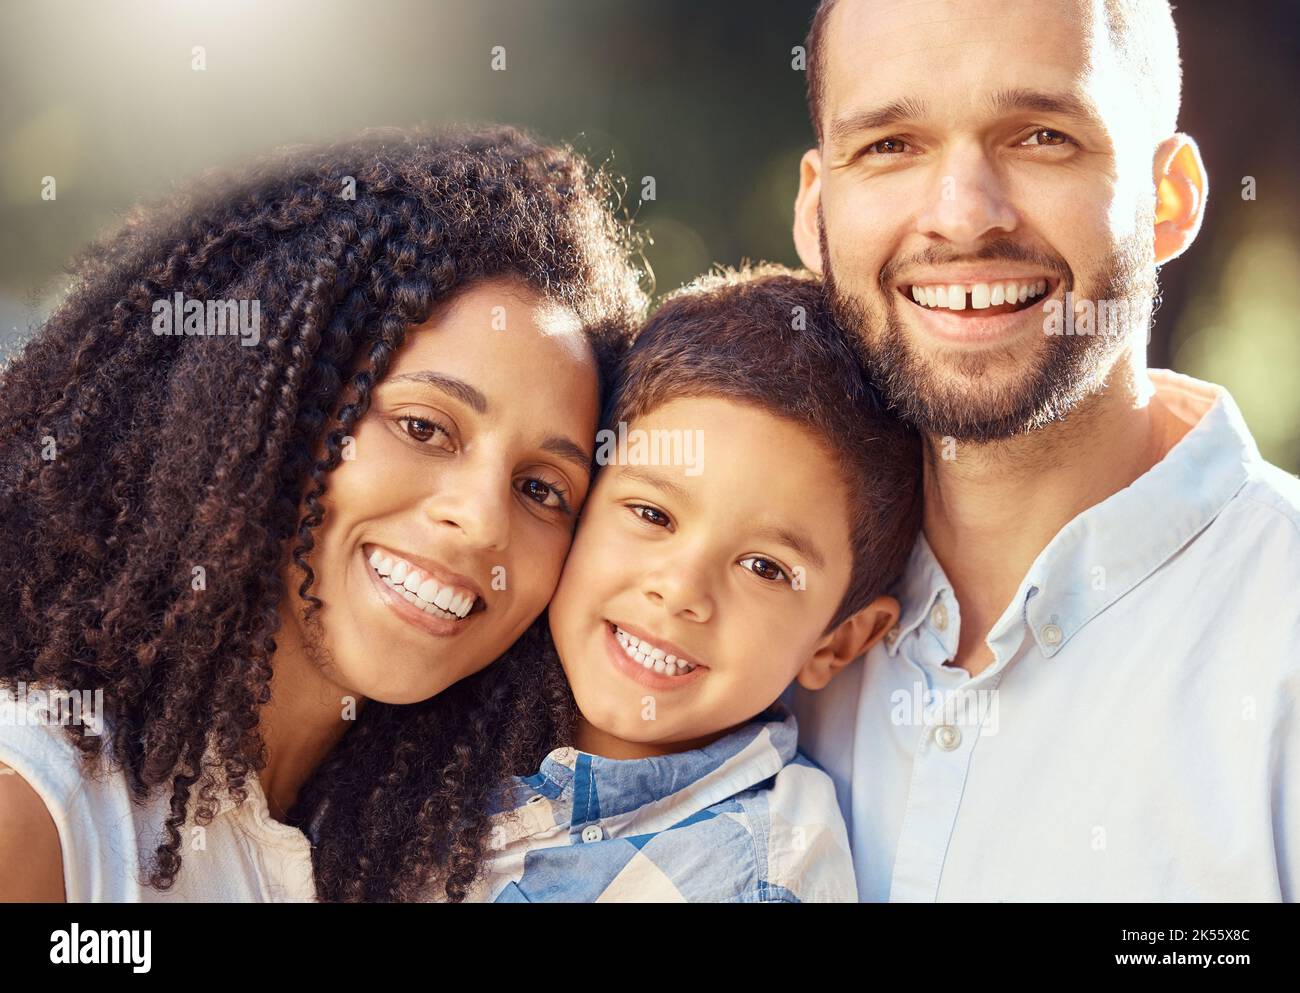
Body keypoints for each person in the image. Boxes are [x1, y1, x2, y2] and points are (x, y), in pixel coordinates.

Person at [0, 126, 645, 902]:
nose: (481, 522)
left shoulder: (445, 855)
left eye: (543, 488)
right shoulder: (40, 811)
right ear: (267, 407)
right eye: (423, 427)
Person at [786, 0, 1300, 901]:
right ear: (817, 212)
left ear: (1169, 198)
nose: (963, 217)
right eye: (891, 145)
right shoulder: (746, 616)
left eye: (1040, 136)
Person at [442, 266, 921, 902]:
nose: (680, 590)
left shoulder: (760, 872)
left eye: (764, 568)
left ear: (837, 641)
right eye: (652, 515)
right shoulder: (440, 700)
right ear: (579, 501)